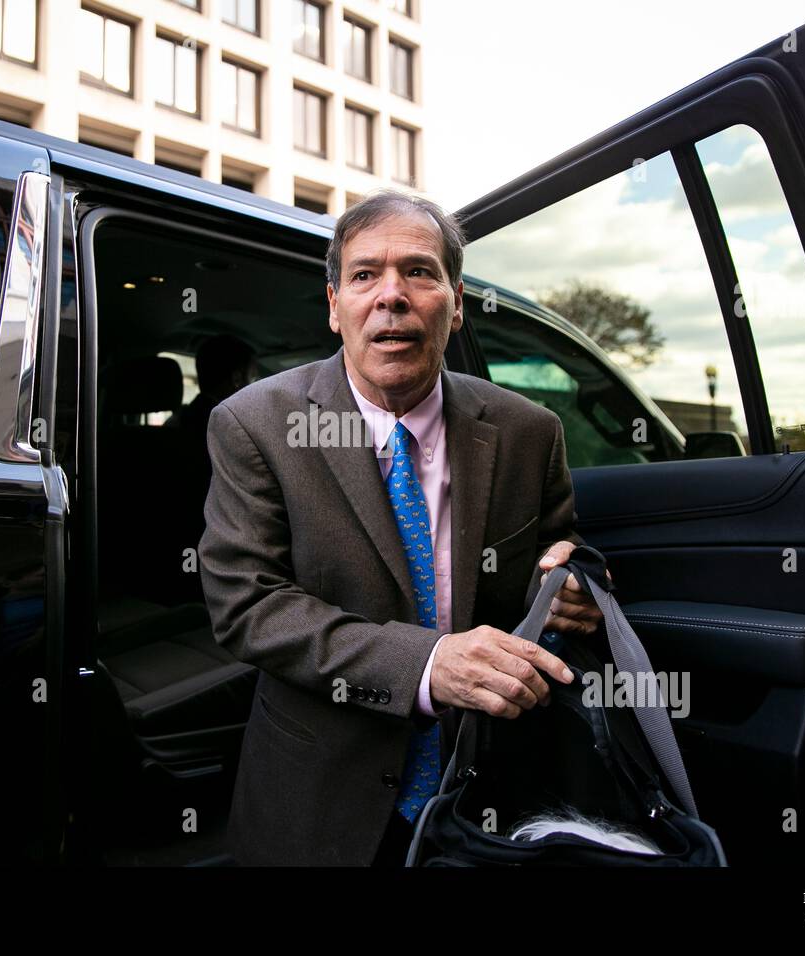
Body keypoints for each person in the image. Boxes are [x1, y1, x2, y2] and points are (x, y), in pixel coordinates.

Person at [198, 188, 605, 866]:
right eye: (364, 275)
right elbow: (247, 606)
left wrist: (573, 586)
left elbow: (556, 554)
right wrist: (425, 663)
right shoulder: (255, 424)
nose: (392, 296)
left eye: (419, 271)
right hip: (318, 799)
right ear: (335, 306)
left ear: (457, 299)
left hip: (488, 792)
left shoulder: (530, 431)